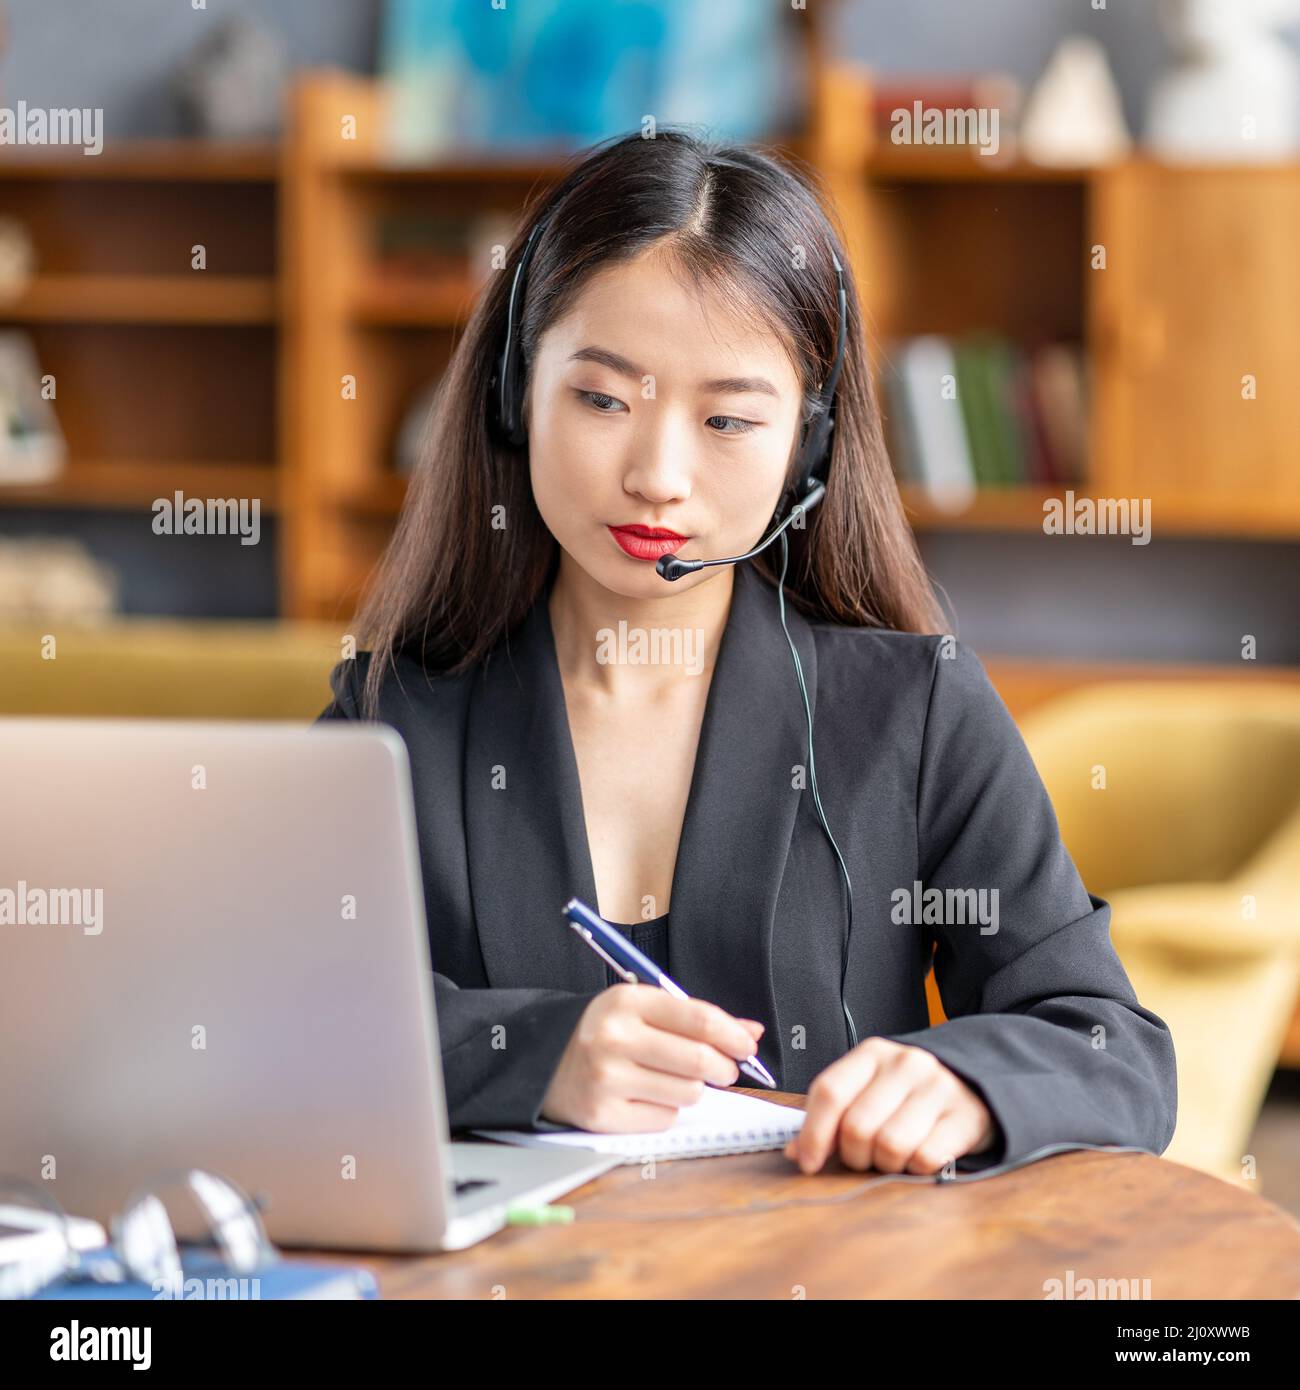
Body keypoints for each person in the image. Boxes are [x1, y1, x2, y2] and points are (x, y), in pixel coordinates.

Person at [318, 128, 1177, 1176]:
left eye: (727, 420)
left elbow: (1113, 1047)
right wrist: (526, 1055)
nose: (657, 476)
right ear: (514, 394)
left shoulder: (912, 711)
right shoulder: (391, 715)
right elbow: (263, 1016)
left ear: (806, 450)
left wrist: (970, 1080)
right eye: (600, 399)